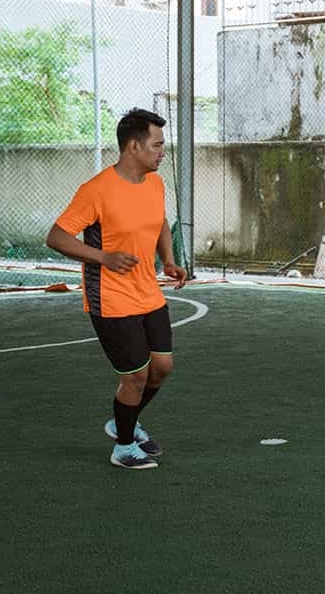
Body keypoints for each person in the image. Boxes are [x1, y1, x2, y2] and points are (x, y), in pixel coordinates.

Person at [46, 108, 187, 469]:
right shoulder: (96, 191)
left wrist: (169, 261)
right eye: (157, 145)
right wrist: (103, 257)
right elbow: (57, 236)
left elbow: (159, 225)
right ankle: (124, 447)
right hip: (110, 297)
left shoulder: (155, 184)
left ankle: (123, 421)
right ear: (134, 146)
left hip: (148, 292)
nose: (162, 152)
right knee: (136, 375)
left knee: (162, 367)